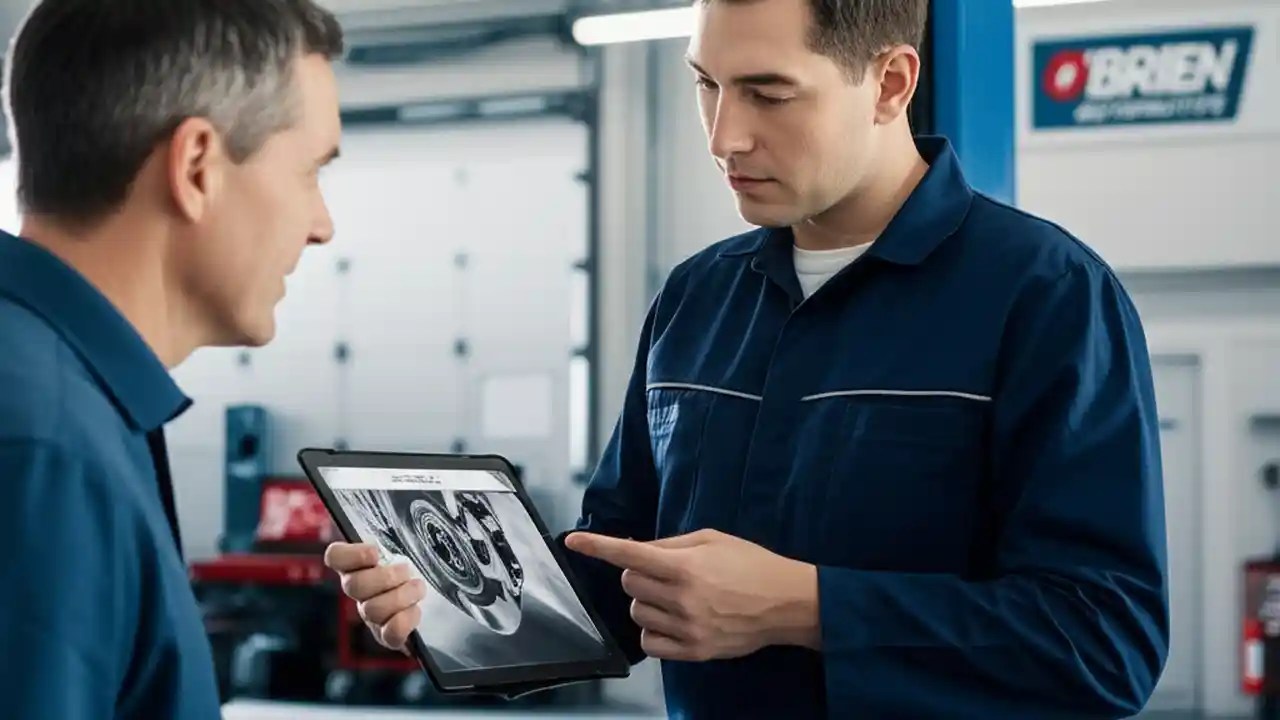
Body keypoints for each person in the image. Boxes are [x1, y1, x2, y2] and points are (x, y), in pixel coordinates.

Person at [324, 0, 1169, 716]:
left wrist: (808, 609)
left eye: (768, 94)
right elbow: (620, 576)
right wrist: (456, 603)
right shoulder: (698, 299)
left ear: (891, 83)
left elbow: (1105, 638)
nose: (725, 138)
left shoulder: (1043, 296)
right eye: (706, 85)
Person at [0, 1, 343, 717]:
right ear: (196, 167)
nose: (322, 226)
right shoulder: (48, 450)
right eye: (310, 172)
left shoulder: (60, 397)